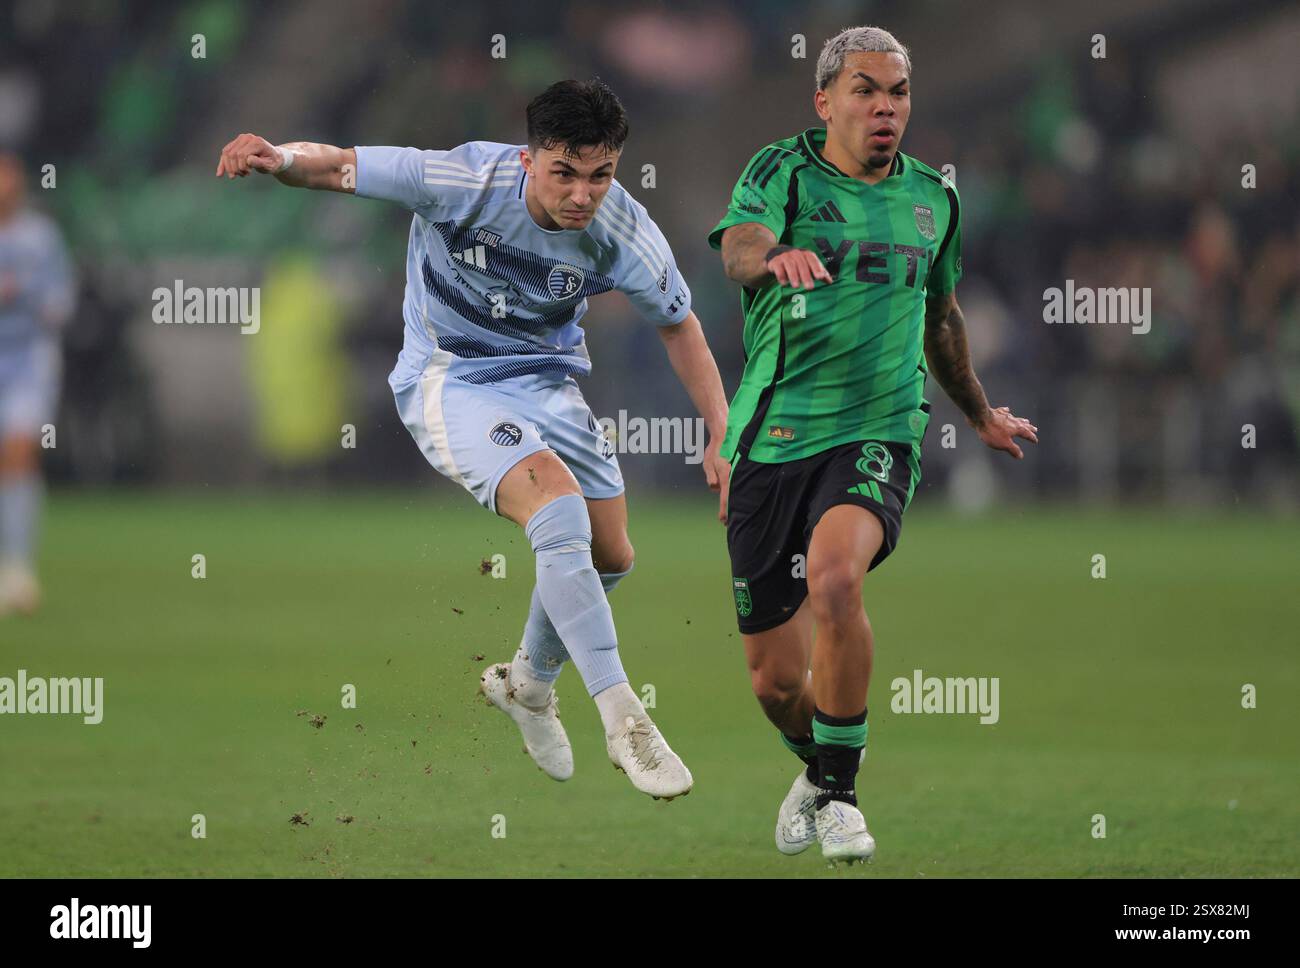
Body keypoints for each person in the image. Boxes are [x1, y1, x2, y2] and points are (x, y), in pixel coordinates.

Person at [217, 79, 730, 801]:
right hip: (451, 378)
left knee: (612, 554)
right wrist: (278, 156)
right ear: (528, 159)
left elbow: (679, 325)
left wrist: (720, 429)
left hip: (547, 382)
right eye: (565, 173)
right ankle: (624, 717)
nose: (584, 194)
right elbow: (338, 166)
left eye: (600, 175)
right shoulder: (461, 181)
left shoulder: (623, 231)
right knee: (557, 510)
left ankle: (527, 685)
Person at [709, 27, 1038, 860]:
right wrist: (774, 255)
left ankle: (843, 797)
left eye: (897, 91)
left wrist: (979, 413)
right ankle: (820, 772)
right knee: (777, 683)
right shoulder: (779, 170)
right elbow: (739, 247)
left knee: (836, 578)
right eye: (865, 89)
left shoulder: (936, 199)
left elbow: (942, 317)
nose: (885, 106)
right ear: (826, 102)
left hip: (879, 428)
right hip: (771, 436)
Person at [0, 151, 75, 616]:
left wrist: (24, 295)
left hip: (28, 359)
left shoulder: (40, 237)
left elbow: (61, 301)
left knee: (21, 452)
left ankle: (19, 568)